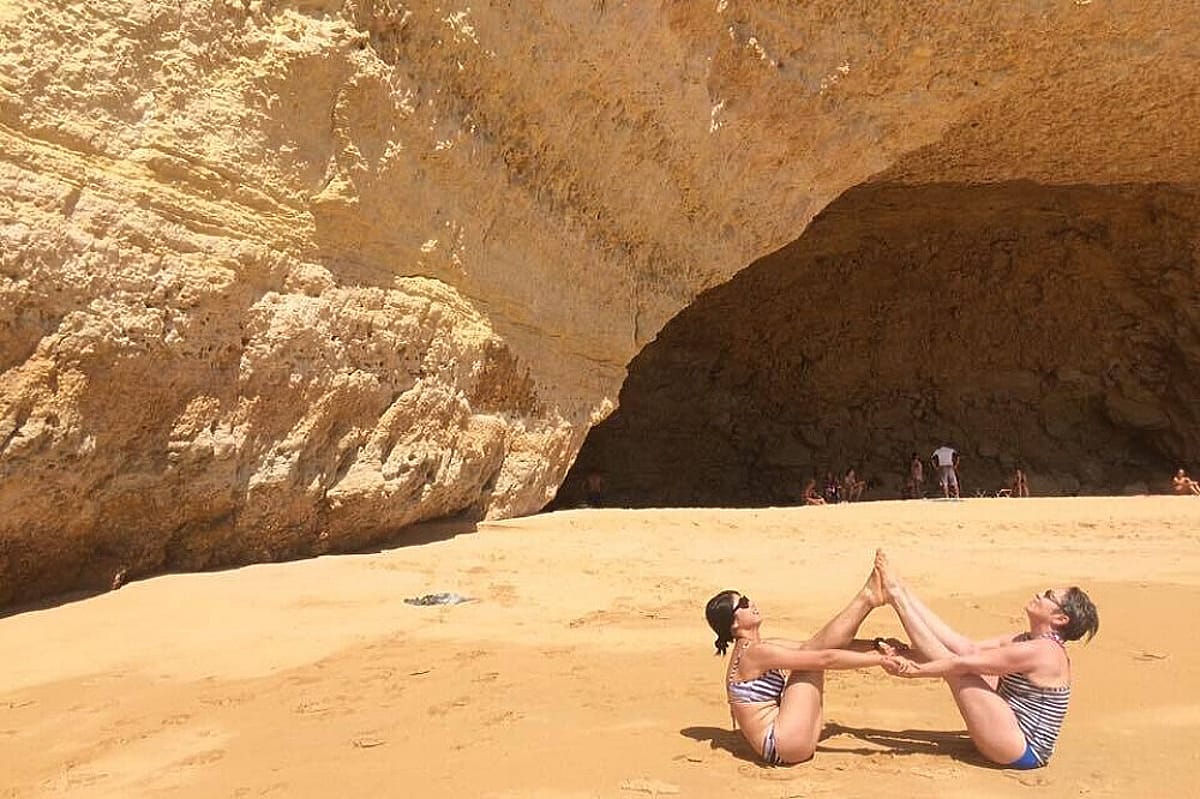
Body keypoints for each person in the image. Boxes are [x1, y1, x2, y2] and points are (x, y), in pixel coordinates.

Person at [874, 550, 1098, 769]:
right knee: (965, 663)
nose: (1040, 594)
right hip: (1007, 730)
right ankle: (900, 593)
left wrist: (915, 671)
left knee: (959, 670)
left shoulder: (1043, 651)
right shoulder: (1026, 640)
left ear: (1060, 619)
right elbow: (967, 648)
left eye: (1049, 596)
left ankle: (896, 598)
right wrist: (907, 597)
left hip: (1024, 750)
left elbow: (961, 663)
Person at [704, 575, 895, 765]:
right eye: (743, 603)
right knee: (811, 659)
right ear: (734, 624)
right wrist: (880, 660)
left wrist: (876, 644)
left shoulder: (761, 647)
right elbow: (825, 659)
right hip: (782, 746)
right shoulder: (755, 653)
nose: (751, 603)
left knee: (811, 649)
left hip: (790, 742)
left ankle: (867, 598)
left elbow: (819, 645)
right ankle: (867, 599)